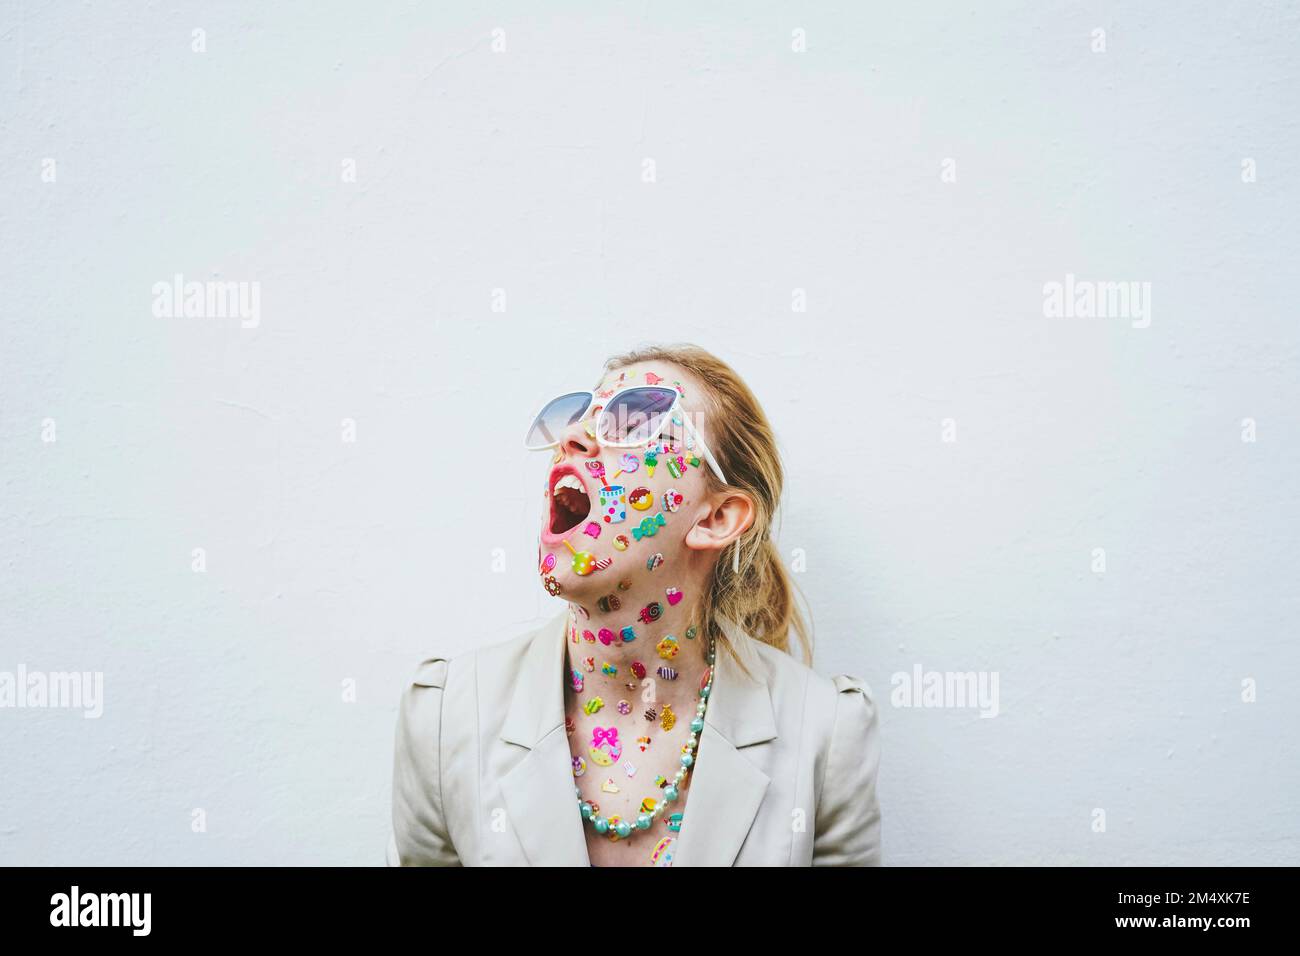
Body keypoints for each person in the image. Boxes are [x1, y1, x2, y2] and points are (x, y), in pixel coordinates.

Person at [388, 344, 882, 866]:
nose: (575, 438)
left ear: (716, 518)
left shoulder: (826, 736)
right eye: (581, 419)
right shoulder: (444, 720)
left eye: (634, 423)